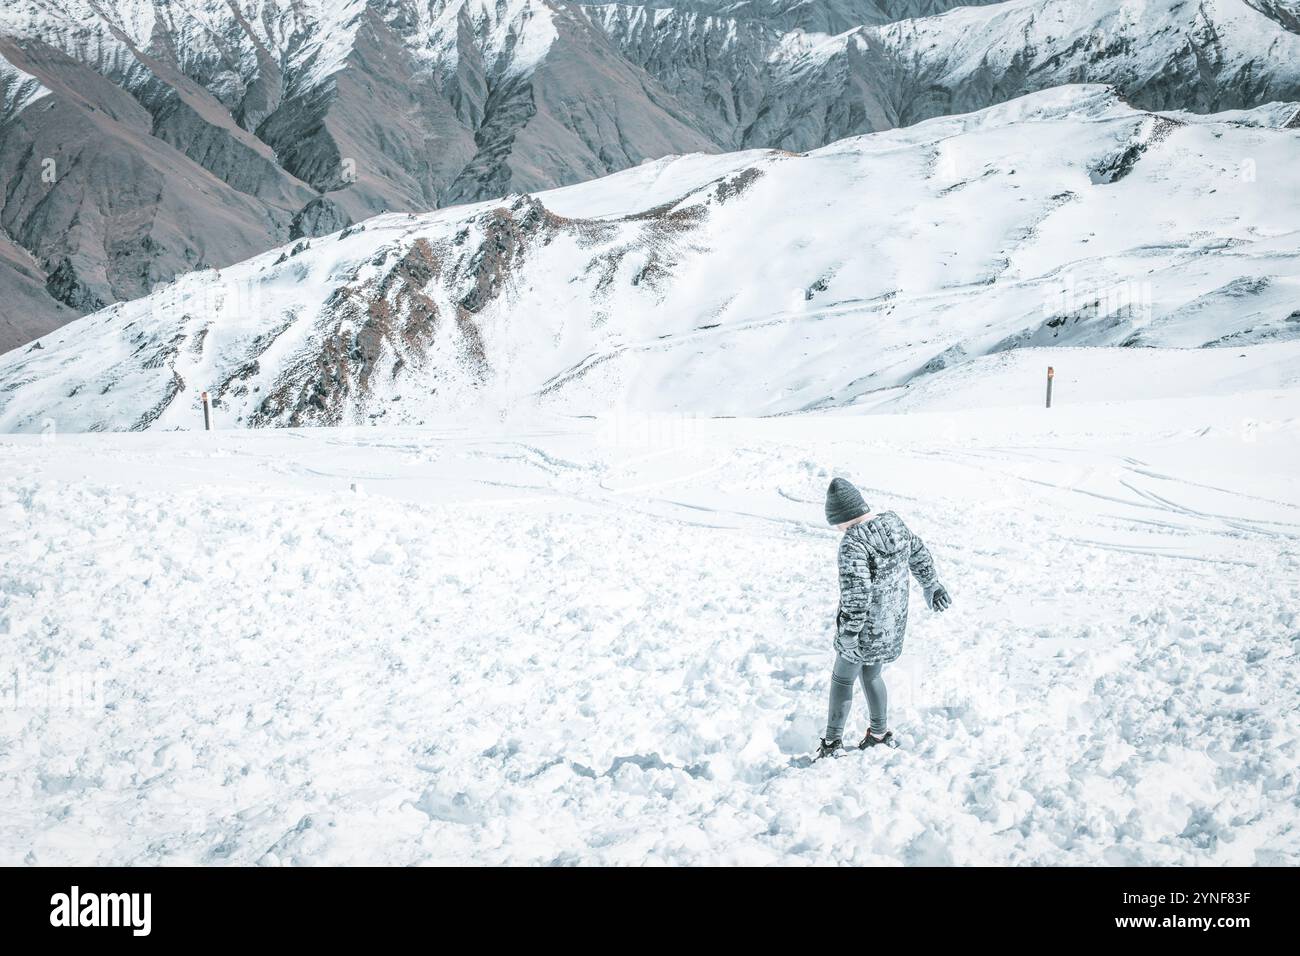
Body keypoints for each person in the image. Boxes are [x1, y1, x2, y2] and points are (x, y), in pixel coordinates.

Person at [818, 477, 950, 757]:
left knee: (842, 680)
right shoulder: (895, 525)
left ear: (841, 517)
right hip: (891, 624)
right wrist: (931, 584)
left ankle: (831, 743)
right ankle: (879, 733)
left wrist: (850, 633)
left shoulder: (853, 543)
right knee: (872, 674)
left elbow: (857, 593)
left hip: (863, 628)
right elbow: (919, 553)